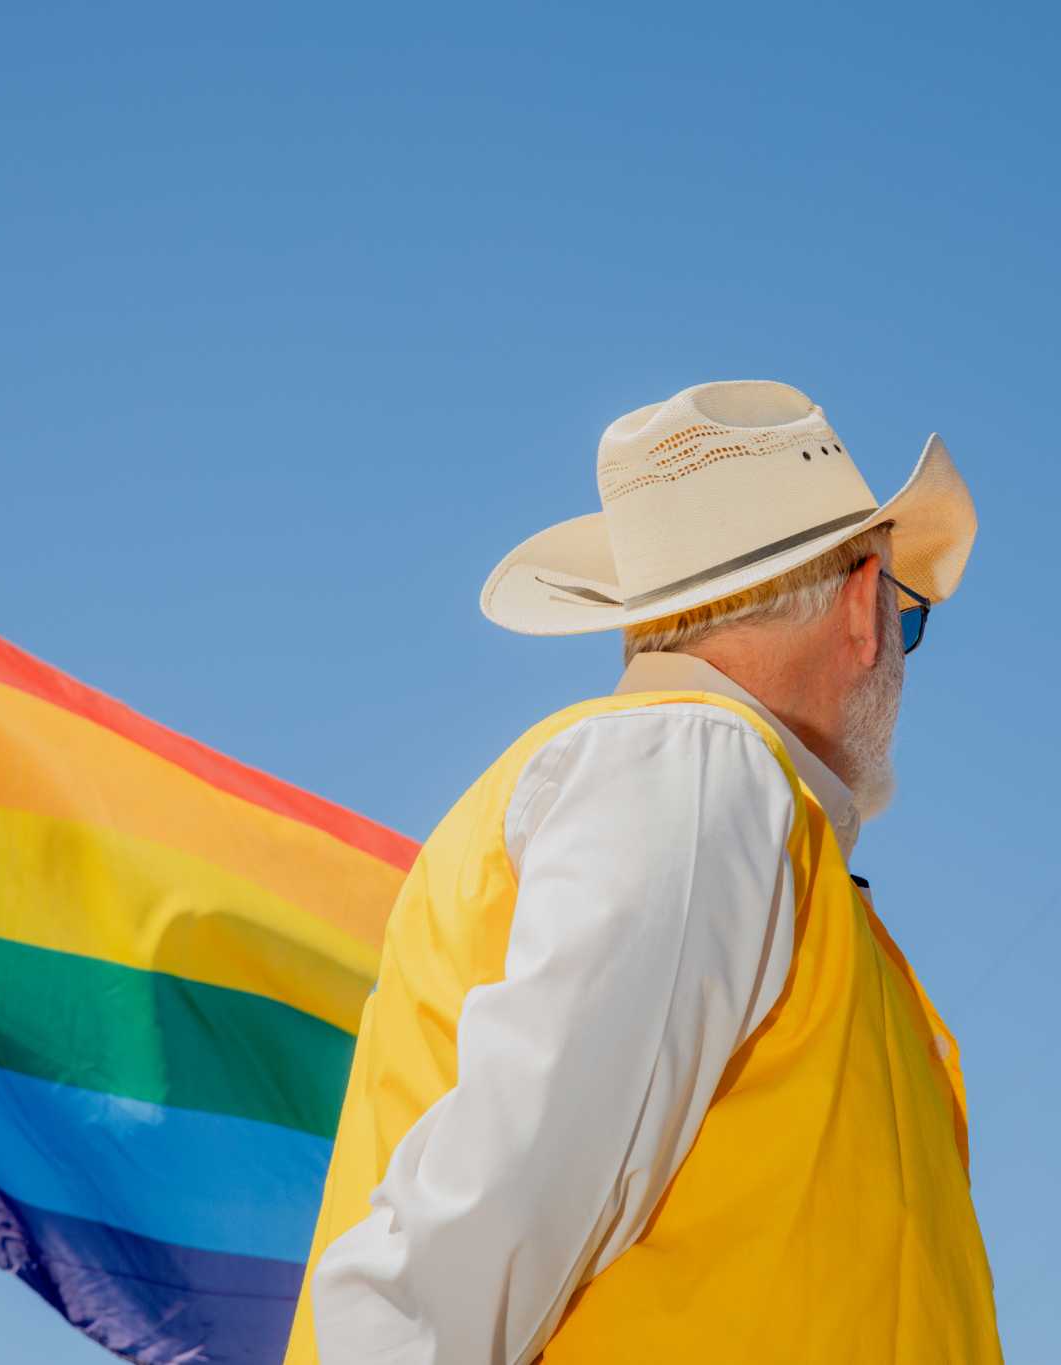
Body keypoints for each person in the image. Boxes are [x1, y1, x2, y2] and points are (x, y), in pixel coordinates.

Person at [284, 380, 1003, 1364]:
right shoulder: (702, 772)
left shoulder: (711, 800)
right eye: (906, 617)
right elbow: (461, 1251)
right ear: (860, 609)